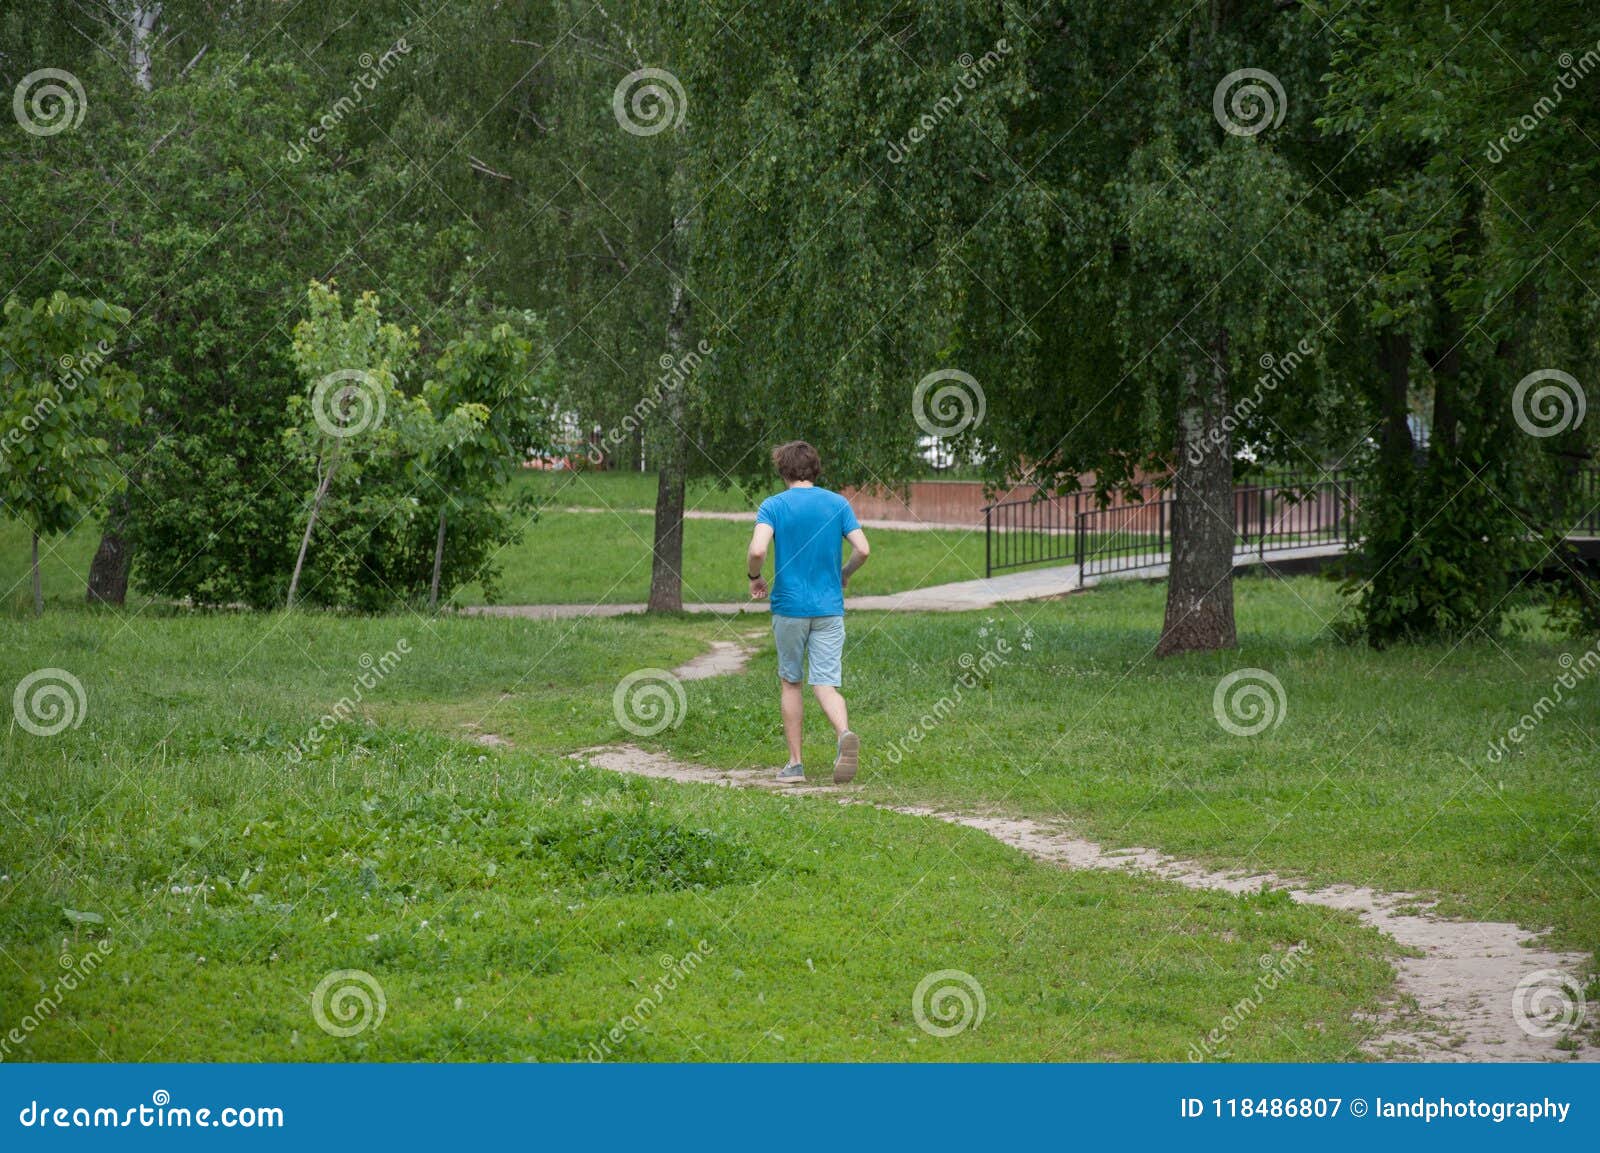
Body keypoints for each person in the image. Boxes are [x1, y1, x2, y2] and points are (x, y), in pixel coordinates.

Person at [746, 441, 870, 784]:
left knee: (791, 682)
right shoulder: (837, 504)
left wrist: (755, 577)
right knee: (826, 684)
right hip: (829, 608)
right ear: (814, 469)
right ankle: (844, 733)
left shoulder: (773, 506)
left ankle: (795, 765)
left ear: (783, 470)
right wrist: (844, 574)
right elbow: (863, 549)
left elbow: (757, 549)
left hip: (790, 607)